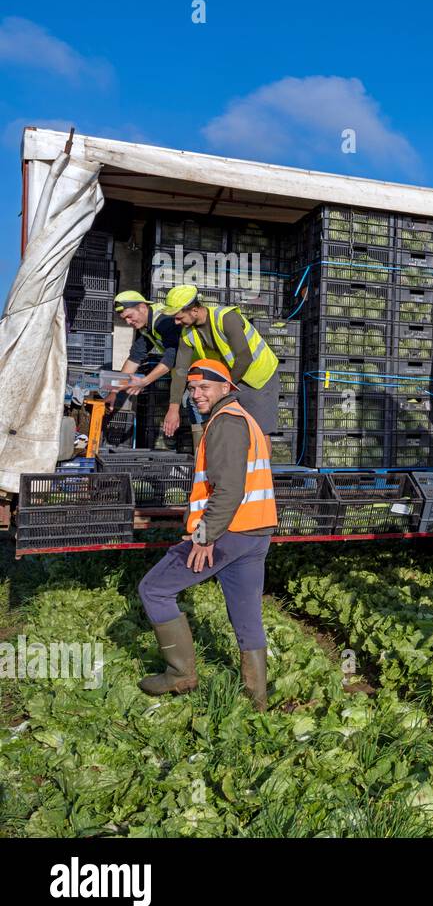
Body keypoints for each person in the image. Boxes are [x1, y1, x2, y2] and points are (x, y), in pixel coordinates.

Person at [137, 359, 278, 710]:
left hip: (227, 532)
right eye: (192, 387)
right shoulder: (244, 419)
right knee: (247, 615)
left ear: (226, 388)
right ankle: (257, 699)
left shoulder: (226, 423)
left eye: (204, 387)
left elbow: (228, 489)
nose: (196, 394)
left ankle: (180, 674)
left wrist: (204, 536)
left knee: (154, 589)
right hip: (255, 531)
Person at [159, 285, 281, 447]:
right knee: (230, 431)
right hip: (229, 381)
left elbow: (244, 358)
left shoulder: (225, 318)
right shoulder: (187, 333)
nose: (176, 322)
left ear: (194, 310)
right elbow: (180, 371)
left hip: (258, 378)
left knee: (259, 431)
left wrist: (224, 389)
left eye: (179, 317)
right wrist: (173, 408)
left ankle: (261, 471)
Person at [108, 290, 181, 410]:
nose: (128, 322)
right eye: (124, 319)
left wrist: (145, 381)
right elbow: (134, 359)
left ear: (142, 307)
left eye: (129, 316)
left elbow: (172, 356)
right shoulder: (146, 327)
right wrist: (114, 392)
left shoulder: (163, 321)